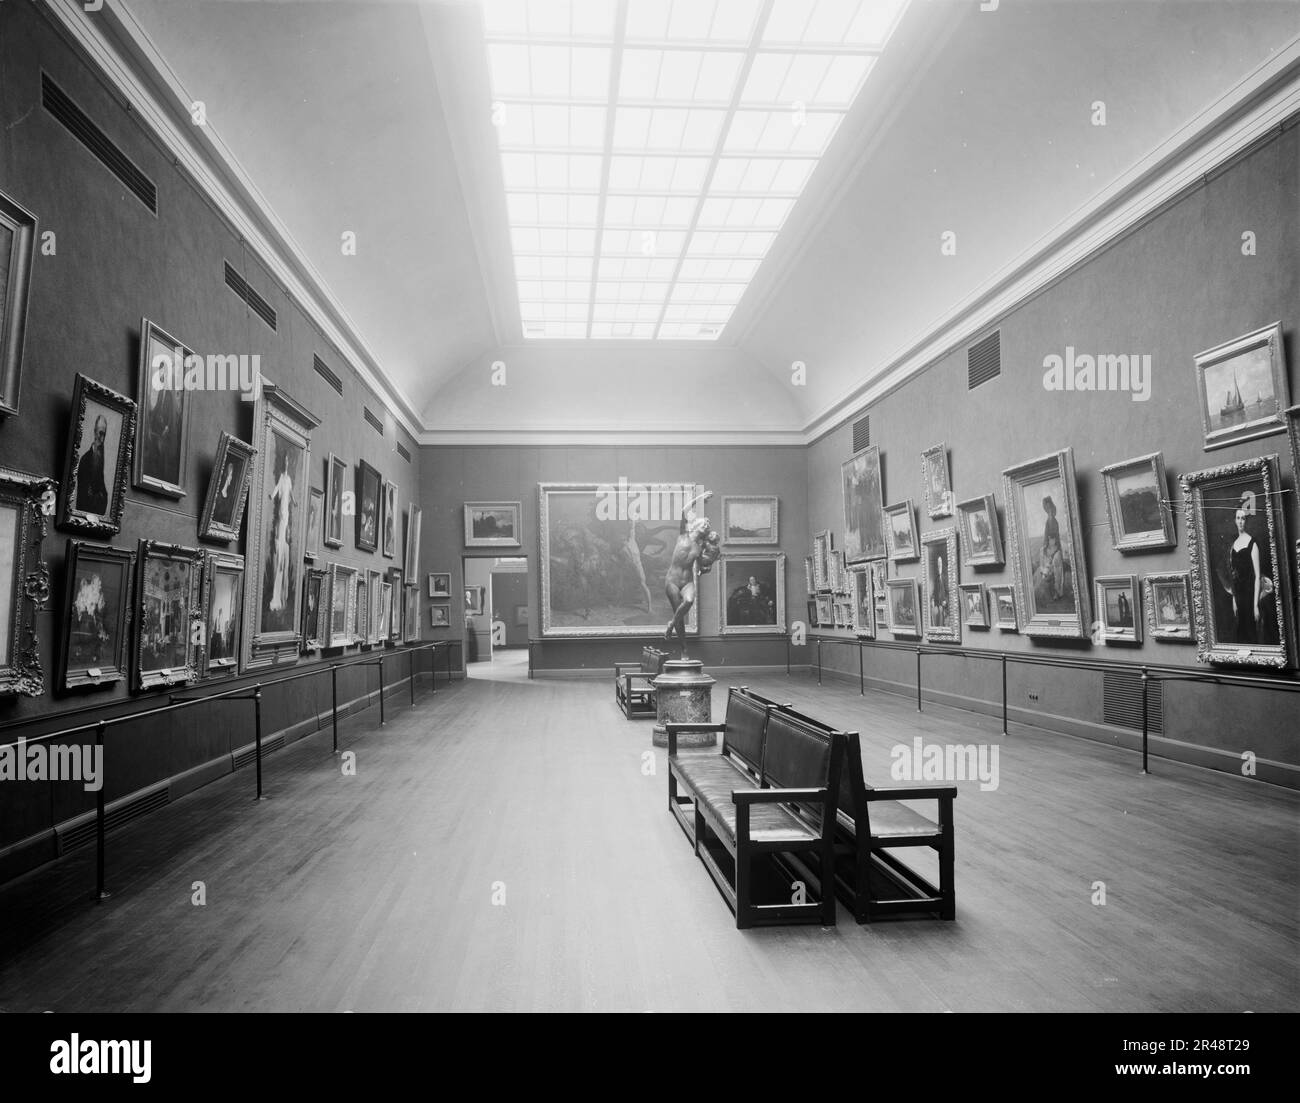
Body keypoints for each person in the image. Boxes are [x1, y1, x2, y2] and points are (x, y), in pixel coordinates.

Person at [663, 490, 720, 652]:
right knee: (679, 613)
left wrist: (708, 565)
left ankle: (671, 624)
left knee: (688, 602)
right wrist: (700, 498)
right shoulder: (683, 535)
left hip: (687, 581)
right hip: (672, 581)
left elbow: (703, 565)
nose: (706, 526)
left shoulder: (701, 547)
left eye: (707, 526)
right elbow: (684, 511)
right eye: (704, 524)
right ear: (696, 525)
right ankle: (684, 649)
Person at [1228, 506, 1260, 644]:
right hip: (1238, 596)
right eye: (1238, 518)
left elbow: (1258, 576)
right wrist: (1234, 599)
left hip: (1250, 595)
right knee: (1239, 632)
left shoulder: (1253, 543)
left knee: (1251, 632)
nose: (1240, 521)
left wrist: (1255, 605)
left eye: (1243, 518)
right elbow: (1232, 576)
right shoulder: (1233, 545)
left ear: (1246, 521)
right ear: (1235, 521)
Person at [75, 414, 110, 515]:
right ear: (95, 432)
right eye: (100, 434)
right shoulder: (85, 460)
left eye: (104, 435)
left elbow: (103, 492)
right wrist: (99, 497)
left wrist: (101, 496)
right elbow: (84, 497)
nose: (102, 439)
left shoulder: (99, 459)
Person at [1039, 496, 1064, 601]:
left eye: (1050, 509)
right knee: (1046, 564)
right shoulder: (1048, 520)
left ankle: (1057, 592)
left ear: (1052, 510)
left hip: (1054, 547)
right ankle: (1052, 592)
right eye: (1047, 509)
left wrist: (1051, 545)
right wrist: (1046, 546)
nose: (1049, 511)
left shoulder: (1053, 521)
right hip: (1050, 545)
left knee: (1056, 568)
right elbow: (1046, 536)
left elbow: (1053, 537)